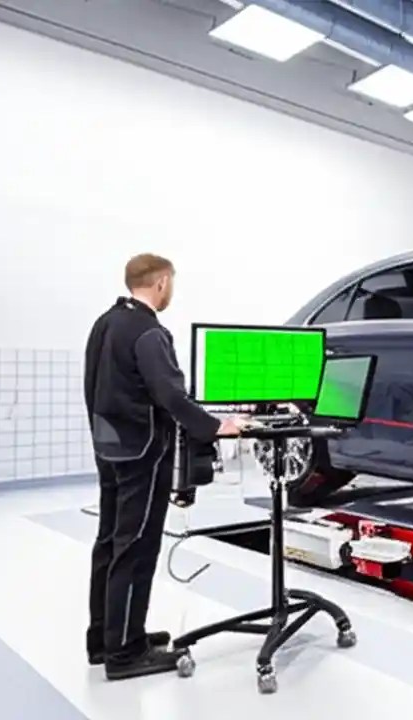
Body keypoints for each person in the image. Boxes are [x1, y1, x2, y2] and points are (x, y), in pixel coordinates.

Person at [83, 253, 253, 680]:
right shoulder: (148, 331)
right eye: (170, 284)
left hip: (109, 446)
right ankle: (125, 654)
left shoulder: (105, 323)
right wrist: (217, 426)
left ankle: (108, 639)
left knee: (110, 541)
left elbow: (91, 386)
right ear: (161, 283)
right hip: (143, 452)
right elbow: (170, 396)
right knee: (136, 547)